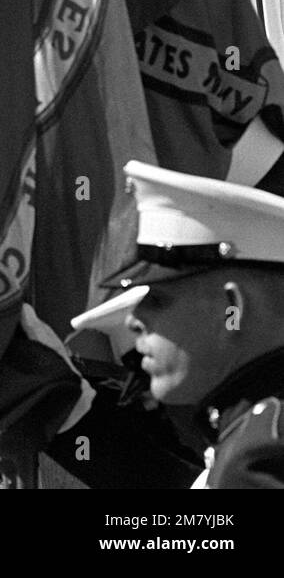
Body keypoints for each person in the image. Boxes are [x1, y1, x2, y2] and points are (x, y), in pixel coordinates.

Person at [73, 160, 284, 488]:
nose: (133, 320)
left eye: (156, 300)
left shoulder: (257, 458)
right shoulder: (254, 435)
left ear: (234, 310)